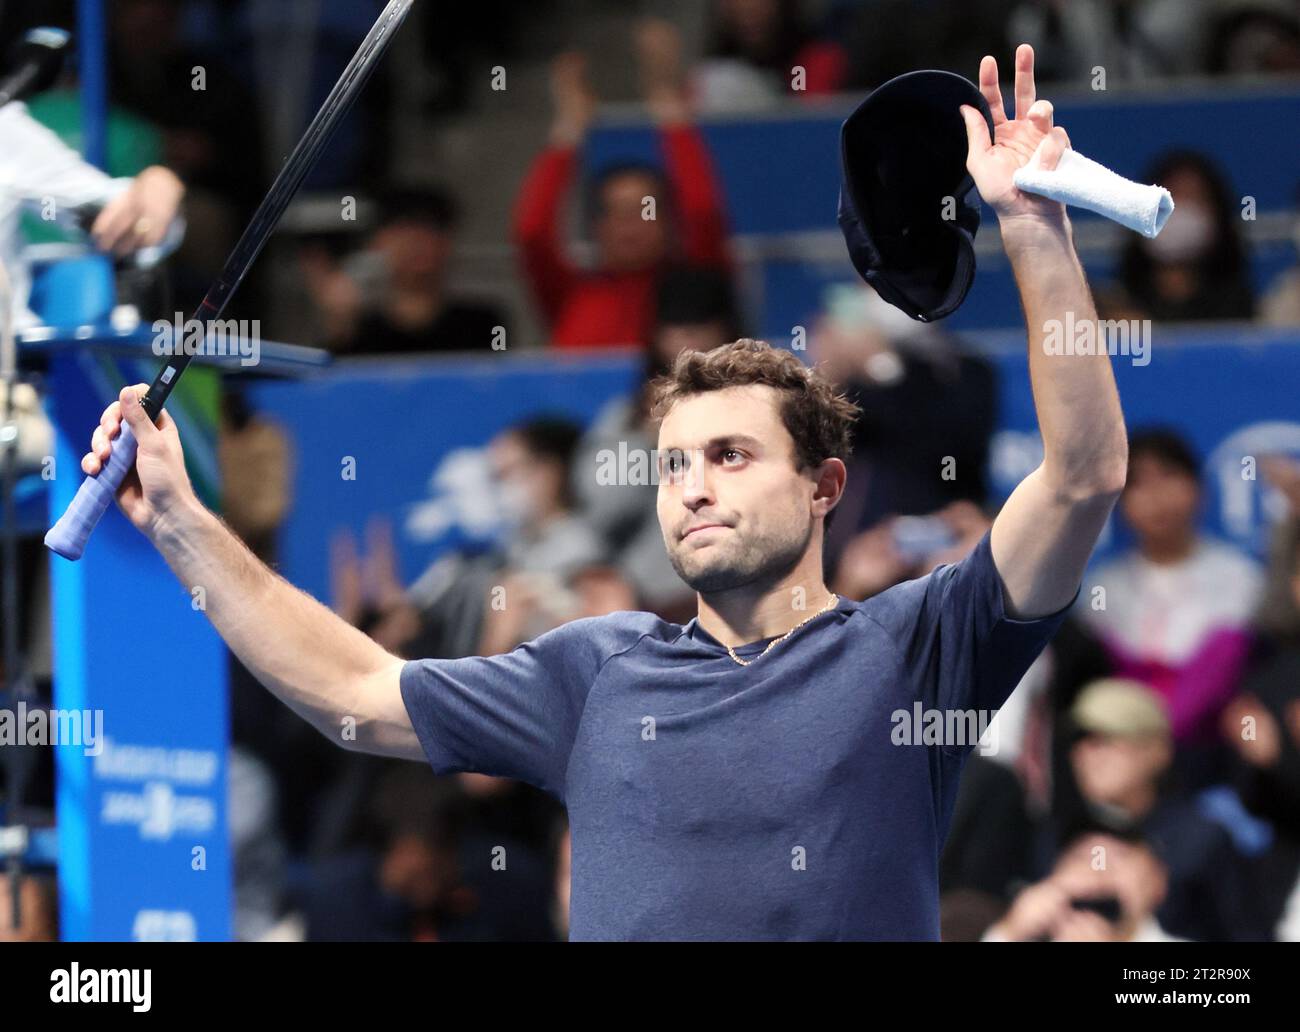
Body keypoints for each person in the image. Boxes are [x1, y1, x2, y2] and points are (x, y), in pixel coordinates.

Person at [80, 45, 1129, 940]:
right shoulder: (590, 673)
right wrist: (179, 517)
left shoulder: (916, 647)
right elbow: (354, 696)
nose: (690, 489)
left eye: (730, 456)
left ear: (824, 488)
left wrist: (1031, 228)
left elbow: (1081, 476)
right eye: (673, 464)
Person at [513, 22, 730, 349]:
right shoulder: (570, 293)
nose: (628, 224)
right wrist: (568, 131)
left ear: (669, 221)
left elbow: (703, 211)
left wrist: (669, 107)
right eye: (614, 212)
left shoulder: (696, 287)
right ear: (596, 226)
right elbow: (531, 232)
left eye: (644, 209)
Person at [1079, 428, 1264, 787]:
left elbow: (1220, 672)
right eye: (1138, 485)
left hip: (1209, 757)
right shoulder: (1103, 585)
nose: (1156, 497)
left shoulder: (1240, 577)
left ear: (1199, 488)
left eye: (1168, 476)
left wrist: (1155, 739)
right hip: (1121, 759)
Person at [301, 188, 507, 356]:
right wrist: (338, 324)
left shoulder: (483, 324)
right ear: (377, 243)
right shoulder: (359, 331)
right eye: (403, 230)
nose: (417, 242)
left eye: (430, 228)